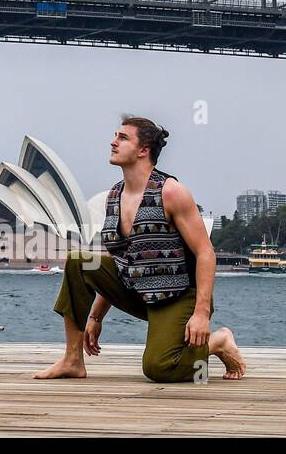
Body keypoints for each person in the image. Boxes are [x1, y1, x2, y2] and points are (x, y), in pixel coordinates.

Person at [34, 116, 247, 383]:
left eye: (123, 138)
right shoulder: (114, 196)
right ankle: (72, 360)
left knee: (159, 367)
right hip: (138, 290)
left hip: (177, 295)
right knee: (78, 261)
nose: (113, 142)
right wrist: (96, 317)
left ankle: (218, 341)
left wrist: (201, 313)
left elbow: (206, 253)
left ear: (144, 150)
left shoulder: (171, 192)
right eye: (115, 136)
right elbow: (121, 261)